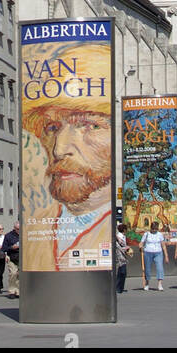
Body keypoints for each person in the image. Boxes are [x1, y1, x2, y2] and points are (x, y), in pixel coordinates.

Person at [21, 42, 113, 271]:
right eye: (52, 128)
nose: (59, 149)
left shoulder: (115, 229)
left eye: (89, 125)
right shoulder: (35, 228)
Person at [139, 219, 170, 290]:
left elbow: (163, 245)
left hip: (158, 252)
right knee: (147, 268)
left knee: (160, 268)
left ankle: (160, 284)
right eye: (153, 229)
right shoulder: (146, 234)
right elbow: (141, 242)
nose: (154, 230)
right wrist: (140, 246)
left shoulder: (159, 235)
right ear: (151, 228)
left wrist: (166, 256)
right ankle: (147, 283)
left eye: (156, 229)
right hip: (148, 252)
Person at [3, 222, 20, 297]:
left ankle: (18, 291)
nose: (19, 230)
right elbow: (4, 248)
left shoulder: (26, 234)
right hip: (12, 256)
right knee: (13, 273)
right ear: (14, 228)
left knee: (20, 275)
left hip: (23, 257)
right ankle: (12, 291)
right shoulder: (8, 236)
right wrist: (11, 247)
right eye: (18, 229)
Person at [115, 224, 132, 293]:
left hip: (122, 256)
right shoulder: (120, 236)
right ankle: (118, 288)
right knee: (122, 272)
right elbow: (120, 246)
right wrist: (127, 248)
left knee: (121, 272)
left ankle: (120, 288)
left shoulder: (122, 236)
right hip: (120, 257)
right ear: (124, 230)